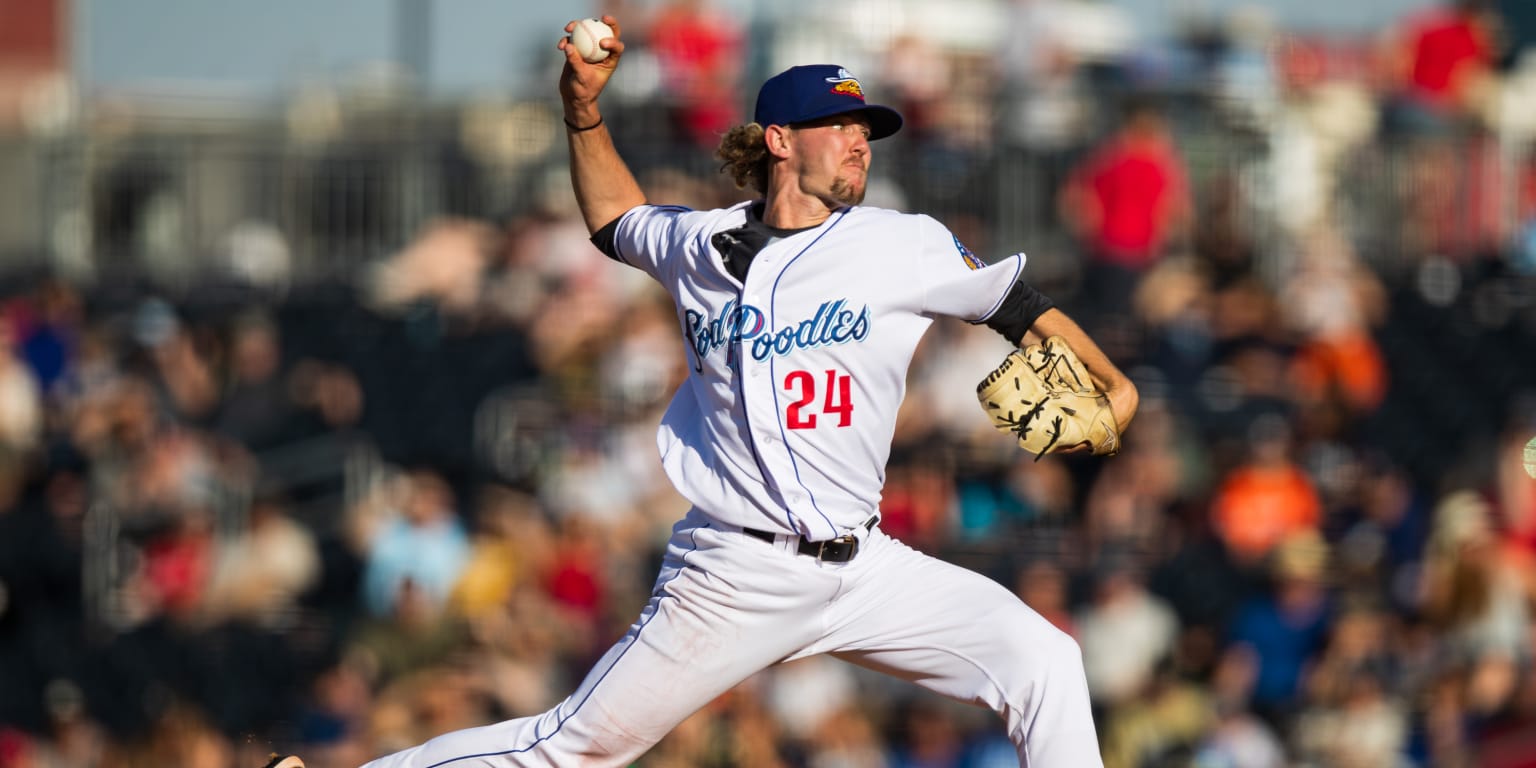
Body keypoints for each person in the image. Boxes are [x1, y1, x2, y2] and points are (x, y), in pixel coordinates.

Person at [289, 15, 1138, 768]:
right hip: (736, 570)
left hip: (867, 566)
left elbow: (1018, 306)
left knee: (1045, 661)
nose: (858, 141)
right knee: (575, 748)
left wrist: (1113, 384)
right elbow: (613, 220)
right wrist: (582, 112)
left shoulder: (901, 245)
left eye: (865, 130)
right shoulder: (700, 244)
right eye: (838, 125)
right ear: (779, 139)